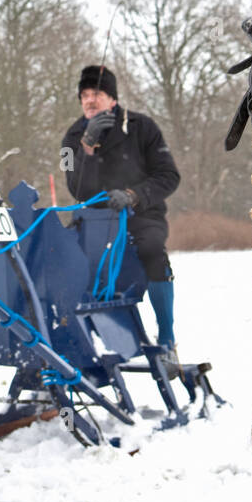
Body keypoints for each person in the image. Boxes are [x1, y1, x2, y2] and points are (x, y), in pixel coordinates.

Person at [61, 64, 181, 358]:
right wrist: (86, 148)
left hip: (141, 216)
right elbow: (75, 190)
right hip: (91, 222)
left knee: (153, 251)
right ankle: (72, 341)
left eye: (97, 94)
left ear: (112, 99)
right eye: (85, 95)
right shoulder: (71, 137)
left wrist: (133, 195)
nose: (90, 100)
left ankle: (167, 337)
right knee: (59, 259)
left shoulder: (143, 127)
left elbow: (169, 176)